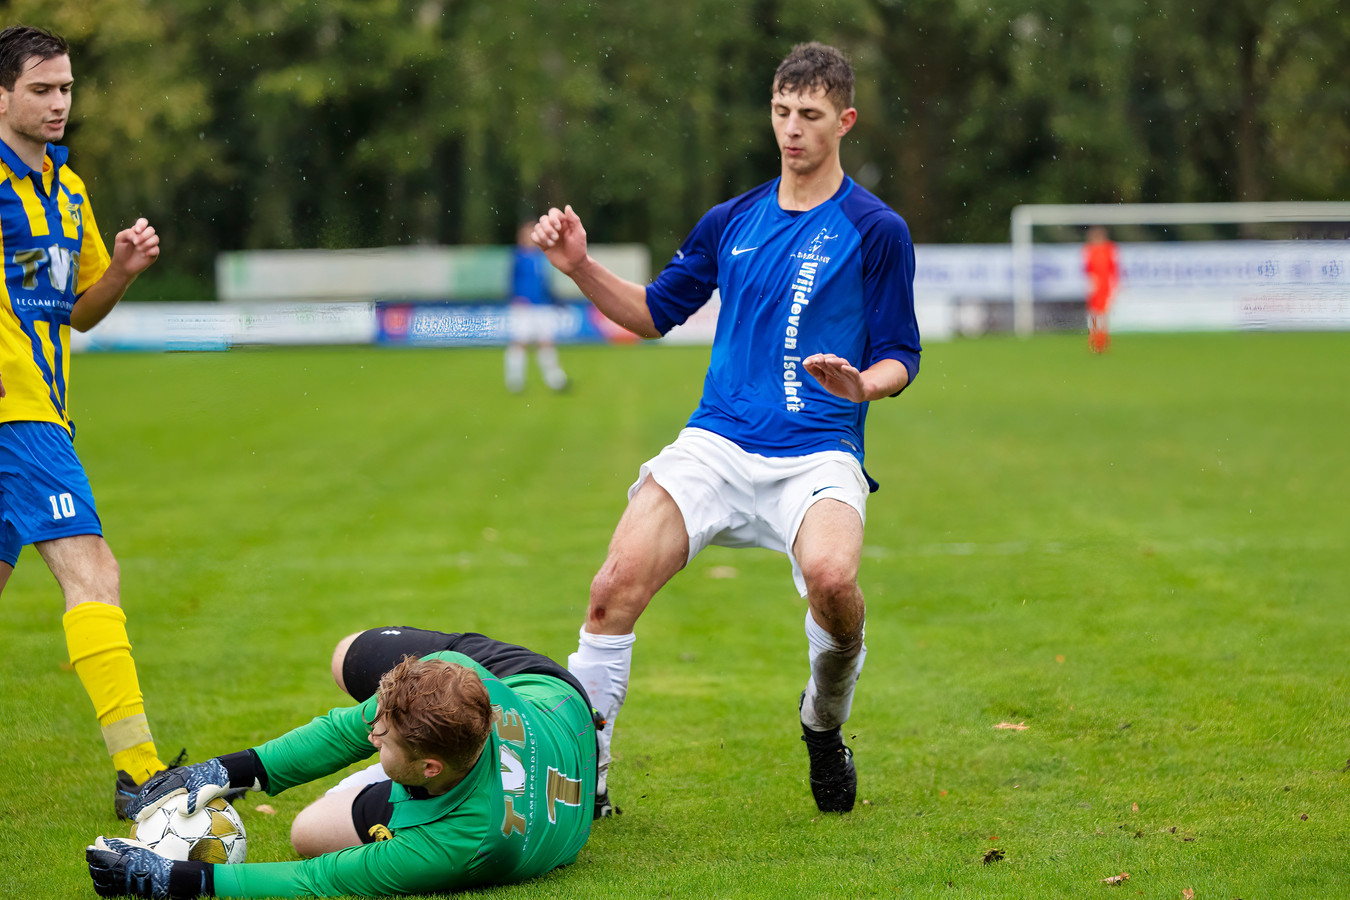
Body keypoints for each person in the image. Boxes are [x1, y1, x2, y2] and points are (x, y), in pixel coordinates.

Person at [531, 42, 921, 816]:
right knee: (611, 590)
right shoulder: (730, 220)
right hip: (717, 442)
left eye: (810, 115)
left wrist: (861, 383)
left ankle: (822, 723)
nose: (792, 130)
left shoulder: (876, 230)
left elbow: (900, 354)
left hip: (818, 452)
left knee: (836, 587)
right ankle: (592, 769)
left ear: (844, 121)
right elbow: (650, 314)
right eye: (782, 112)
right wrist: (578, 265)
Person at [86, 626, 597, 898]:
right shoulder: (459, 679)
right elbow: (341, 730)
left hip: (530, 764)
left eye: (385, 736)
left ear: (431, 767)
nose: (370, 730)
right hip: (550, 697)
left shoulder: (458, 843)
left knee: (310, 835)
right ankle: (392, 772)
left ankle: (390, 780)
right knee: (348, 655)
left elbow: (320, 880)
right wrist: (223, 770)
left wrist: (173, 880)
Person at [0, 25, 172, 818]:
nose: (58, 102)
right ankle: (140, 774)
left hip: (46, 412)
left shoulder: (68, 192)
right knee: (93, 570)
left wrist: (127, 271)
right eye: (41, 89)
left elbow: (77, 312)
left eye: (65, 88)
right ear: (3, 94)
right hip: (16, 412)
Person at [505, 220, 568, 393]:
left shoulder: (543, 257)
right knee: (520, 342)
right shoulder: (518, 256)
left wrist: (555, 300)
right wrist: (515, 298)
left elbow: (545, 283)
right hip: (524, 306)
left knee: (546, 342)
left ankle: (555, 380)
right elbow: (512, 281)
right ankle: (515, 381)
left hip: (543, 306)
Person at [1083, 225, 1119, 353]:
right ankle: (1093, 338)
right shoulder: (1088, 249)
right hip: (1094, 285)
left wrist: (1115, 285)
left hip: (1105, 286)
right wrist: (1090, 282)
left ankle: (1102, 340)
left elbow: (1113, 269)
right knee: (1093, 313)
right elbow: (1087, 268)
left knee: (1102, 314)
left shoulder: (1109, 249)